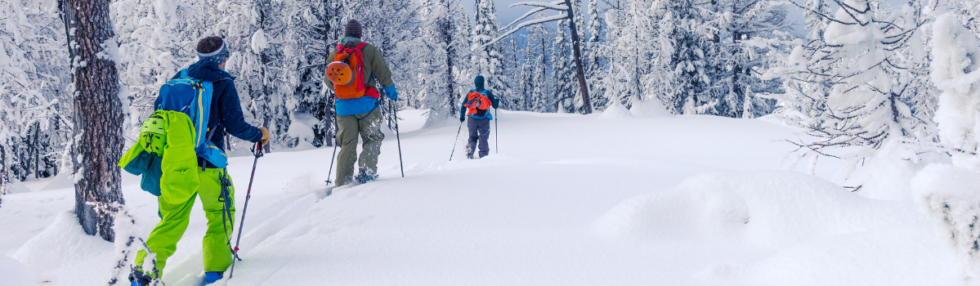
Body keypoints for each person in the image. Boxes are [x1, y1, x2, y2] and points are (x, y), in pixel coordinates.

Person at [127, 36, 270, 285]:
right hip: (207, 164)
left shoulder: (178, 79)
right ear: (222, 59)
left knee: (170, 222)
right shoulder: (222, 82)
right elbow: (235, 124)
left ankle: (143, 273)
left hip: (173, 165)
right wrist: (259, 134)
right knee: (219, 214)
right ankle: (216, 272)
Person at [323, 20, 398, 186]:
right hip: (367, 106)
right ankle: (367, 173)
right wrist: (392, 93)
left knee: (347, 144)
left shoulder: (336, 51)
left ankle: (342, 181)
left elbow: (328, 81)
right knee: (372, 138)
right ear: (359, 34)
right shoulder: (369, 50)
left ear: (345, 34)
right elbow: (384, 74)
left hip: (343, 107)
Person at [460, 75, 499, 159]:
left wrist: (462, 116)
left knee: (472, 137)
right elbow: (495, 106)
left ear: (475, 83)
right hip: (484, 119)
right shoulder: (487, 93)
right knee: (483, 137)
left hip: (472, 119)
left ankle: (470, 153)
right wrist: (497, 101)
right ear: (483, 82)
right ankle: (484, 157)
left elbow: (463, 105)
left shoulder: (471, 93)